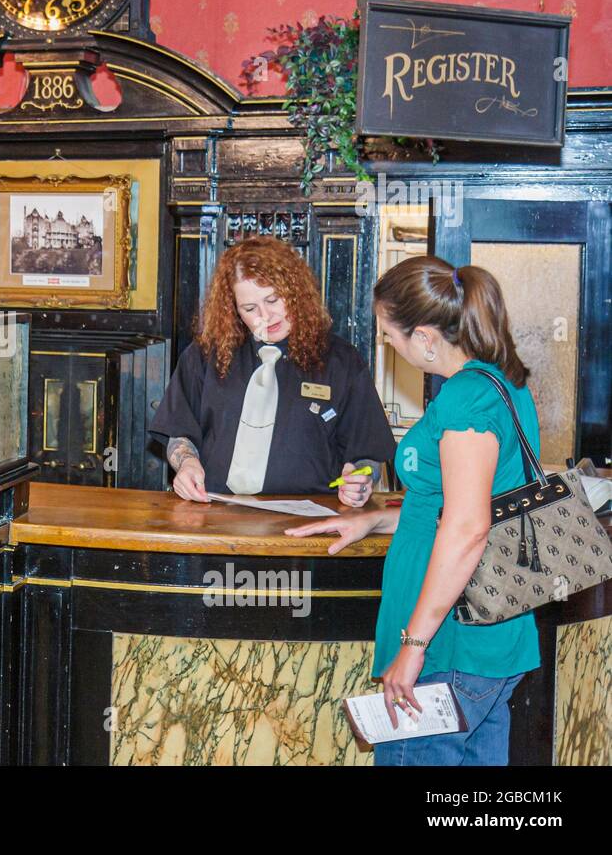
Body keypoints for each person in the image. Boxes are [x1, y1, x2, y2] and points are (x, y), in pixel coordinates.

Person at [287, 256, 541, 765]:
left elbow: (468, 528)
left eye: (389, 334)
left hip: (449, 646)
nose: (387, 345)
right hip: (488, 642)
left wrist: (413, 645)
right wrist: (373, 520)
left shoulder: (465, 401)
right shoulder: (500, 384)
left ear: (425, 337)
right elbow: (458, 505)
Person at [148, 236, 394, 505]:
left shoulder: (342, 362)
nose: (265, 316)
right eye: (250, 308)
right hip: (215, 511)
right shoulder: (206, 354)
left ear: (295, 292)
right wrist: (186, 463)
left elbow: (368, 454)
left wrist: (359, 479)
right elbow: (178, 432)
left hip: (310, 519)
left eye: (274, 300)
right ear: (234, 311)